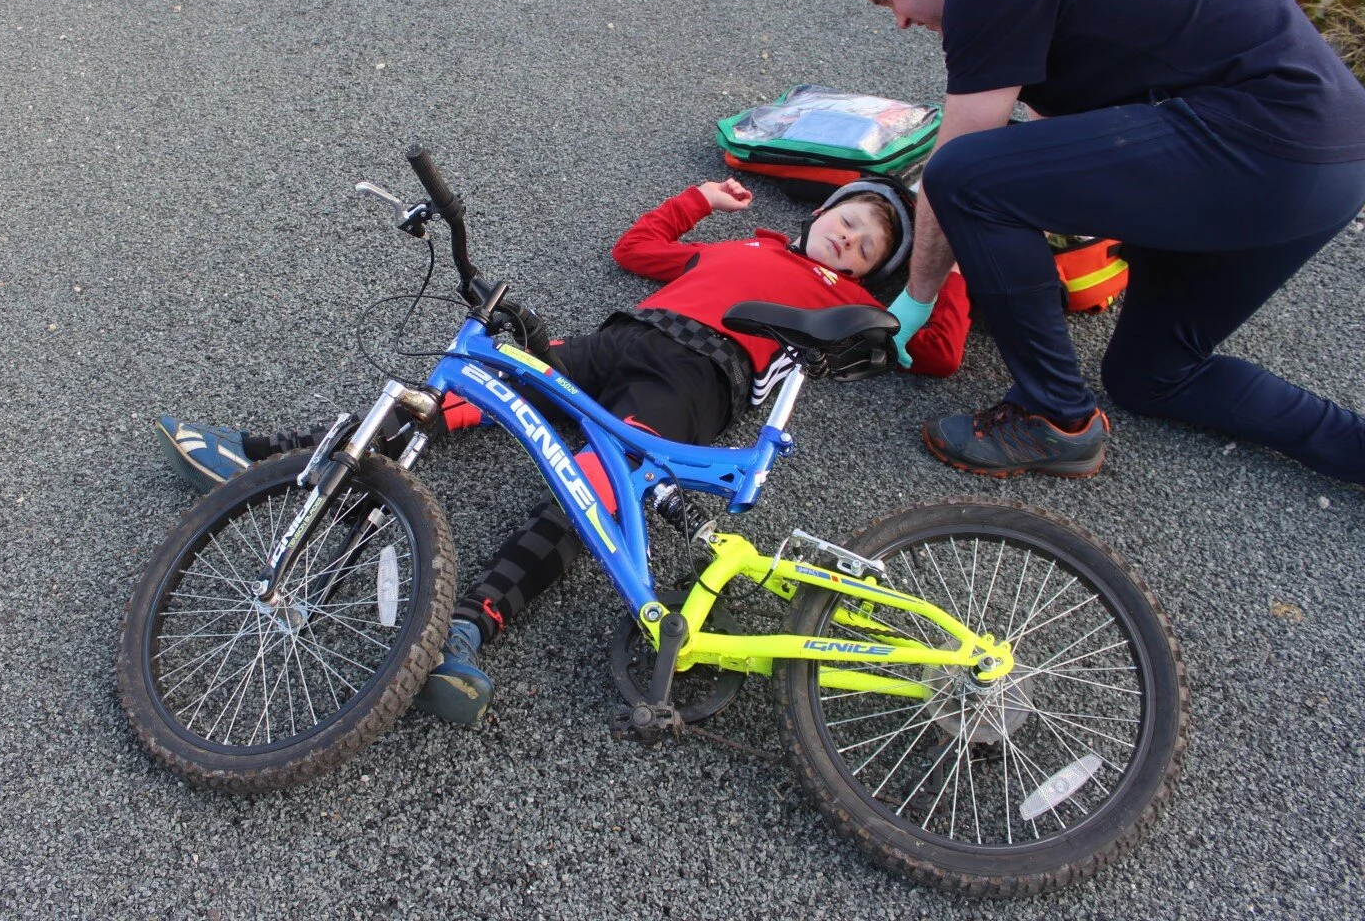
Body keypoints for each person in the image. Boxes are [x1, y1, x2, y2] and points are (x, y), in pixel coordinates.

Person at [157, 177, 972, 726]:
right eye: (848, 220)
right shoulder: (743, 247)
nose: (849, 241)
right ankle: (272, 456)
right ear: (820, 213)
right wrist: (697, 201)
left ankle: (472, 628)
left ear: (873, 273)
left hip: (695, 382)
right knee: (464, 392)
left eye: (868, 247)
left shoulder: (854, 306)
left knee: (588, 494)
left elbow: (936, 351)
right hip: (615, 343)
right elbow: (637, 251)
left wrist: (952, 247)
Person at [846, 0, 1365, 489]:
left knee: (966, 177)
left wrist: (918, 299)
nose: (898, 19)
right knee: (1151, 374)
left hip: (1263, 146)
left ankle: (1052, 414)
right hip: (1335, 165)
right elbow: (1071, 134)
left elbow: (961, 161)